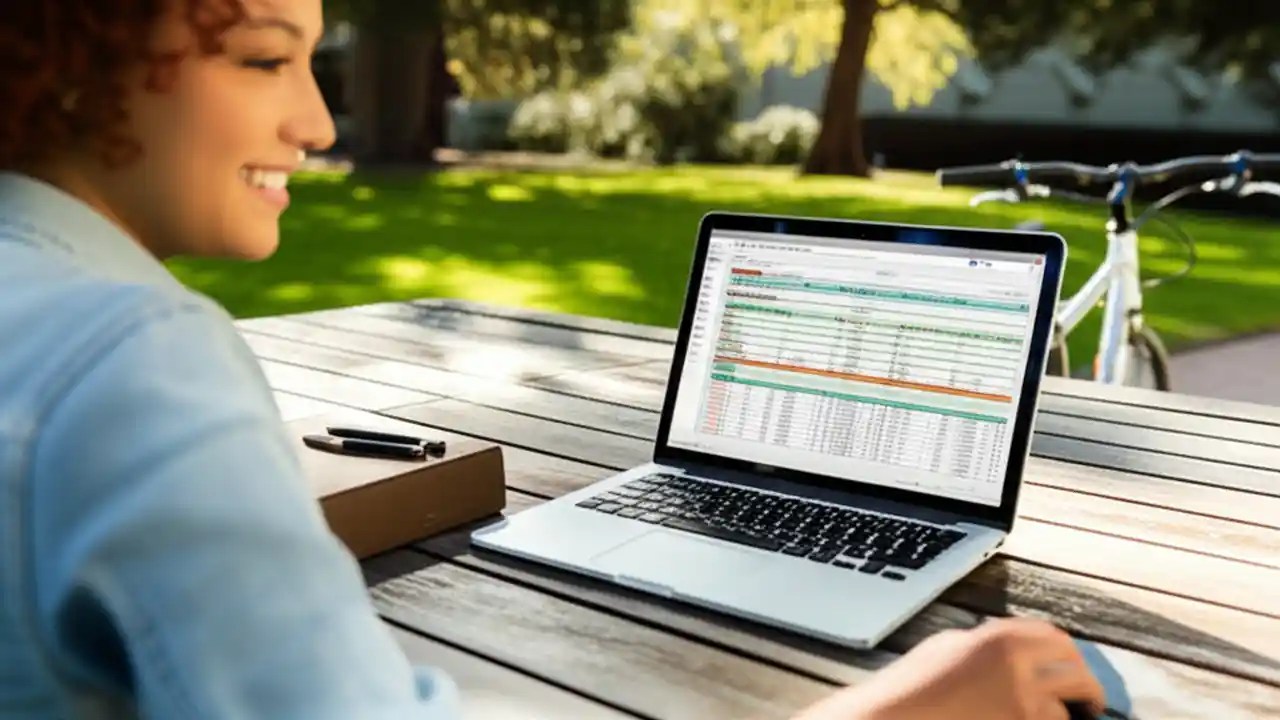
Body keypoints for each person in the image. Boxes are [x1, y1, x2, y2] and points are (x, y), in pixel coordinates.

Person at [0, 1, 1107, 718]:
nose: (318, 122)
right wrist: (898, 711)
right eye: (261, 60)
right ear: (72, 47)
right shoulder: (138, 364)